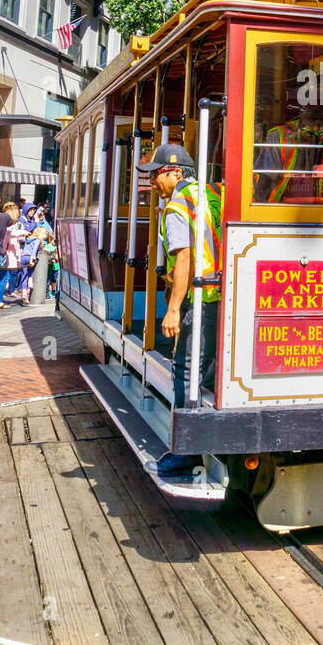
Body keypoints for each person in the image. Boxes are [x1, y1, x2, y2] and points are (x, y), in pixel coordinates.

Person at [138, 144, 224, 477]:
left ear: (176, 173)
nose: (152, 184)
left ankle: (185, 451)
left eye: (156, 176)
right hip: (220, 294)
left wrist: (172, 309)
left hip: (200, 299)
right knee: (210, 368)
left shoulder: (175, 207)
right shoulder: (209, 193)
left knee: (185, 372)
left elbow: (185, 258)